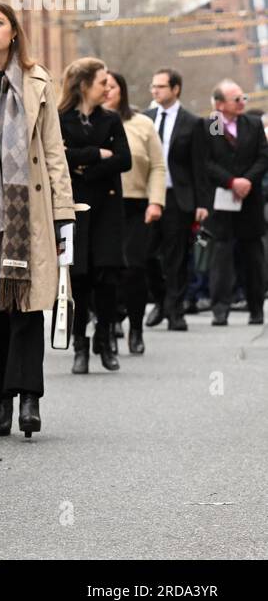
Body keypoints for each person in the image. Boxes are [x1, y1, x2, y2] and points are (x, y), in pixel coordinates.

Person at [0, 0, 75, 440]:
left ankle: (27, 397)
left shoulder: (37, 81)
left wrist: (64, 214)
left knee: (27, 307)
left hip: (27, 209)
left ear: (14, 31)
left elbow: (52, 150)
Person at [58, 58, 131, 374]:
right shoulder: (60, 119)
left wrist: (86, 169)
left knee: (108, 275)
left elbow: (124, 159)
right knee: (79, 277)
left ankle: (107, 339)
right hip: (75, 207)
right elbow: (58, 155)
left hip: (108, 208)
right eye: (102, 82)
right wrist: (96, 154)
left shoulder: (111, 120)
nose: (108, 87)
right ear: (84, 84)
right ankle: (80, 345)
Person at [143, 69, 211, 331]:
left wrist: (202, 203)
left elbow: (200, 166)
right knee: (145, 255)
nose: (155, 91)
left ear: (176, 89)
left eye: (160, 86)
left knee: (177, 257)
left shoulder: (193, 122)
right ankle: (160, 300)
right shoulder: (145, 119)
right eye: (153, 86)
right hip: (149, 197)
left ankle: (175, 310)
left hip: (178, 197)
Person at [104, 71, 165, 354]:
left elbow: (157, 166)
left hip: (136, 206)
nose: (106, 90)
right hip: (103, 205)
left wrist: (156, 202)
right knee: (105, 269)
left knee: (134, 268)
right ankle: (110, 321)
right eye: (101, 85)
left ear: (123, 89)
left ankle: (136, 328)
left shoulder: (142, 123)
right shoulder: (90, 124)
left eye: (112, 86)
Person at [205, 80, 268, 325]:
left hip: (249, 199)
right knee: (221, 253)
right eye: (236, 99)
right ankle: (220, 307)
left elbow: (263, 157)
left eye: (244, 98)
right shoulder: (214, 124)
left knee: (253, 254)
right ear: (220, 104)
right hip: (223, 198)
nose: (242, 103)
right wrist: (231, 181)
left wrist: (247, 181)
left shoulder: (252, 124)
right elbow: (208, 160)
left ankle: (256, 307)